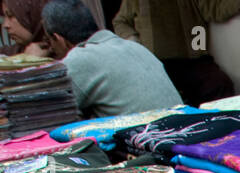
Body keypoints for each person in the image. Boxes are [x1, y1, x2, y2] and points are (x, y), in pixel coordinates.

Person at [42, 0, 182, 117]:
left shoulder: (79, 58)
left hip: (151, 143)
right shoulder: (135, 47)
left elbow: (49, 114)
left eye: (50, 41)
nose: (52, 49)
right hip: (184, 134)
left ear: (58, 39)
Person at [113, 0, 240, 106]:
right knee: (162, 100)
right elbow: (120, 21)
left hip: (193, 58)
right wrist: (136, 44)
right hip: (157, 63)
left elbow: (212, 7)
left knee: (219, 84)